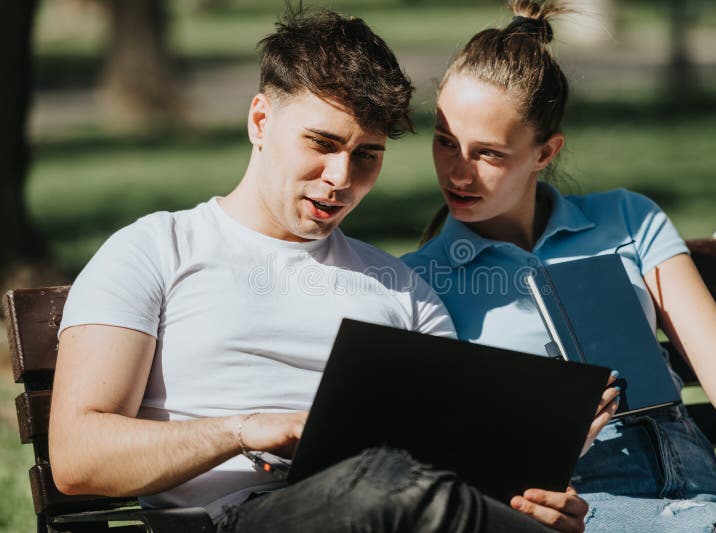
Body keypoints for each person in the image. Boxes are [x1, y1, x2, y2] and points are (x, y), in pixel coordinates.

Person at [49, 6, 601, 533]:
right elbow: (77, 459)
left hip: (398, 508)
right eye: (323, 143)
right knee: (387, 485)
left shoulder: (405, 290)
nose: (340, 177)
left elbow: (453, 465)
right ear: (261, 120)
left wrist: (527, 507)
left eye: (367, 155)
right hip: (240, 518)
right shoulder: (156, 249)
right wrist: (248, 430)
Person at [401, 1, 716, 531]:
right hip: (584, 504)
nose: (457, 171)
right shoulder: (422, 279)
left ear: (545, 153)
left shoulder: (628, 219)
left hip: (703, 485)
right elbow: (443, 457)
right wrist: (546, 439)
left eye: (489, 154)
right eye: (445, 143)